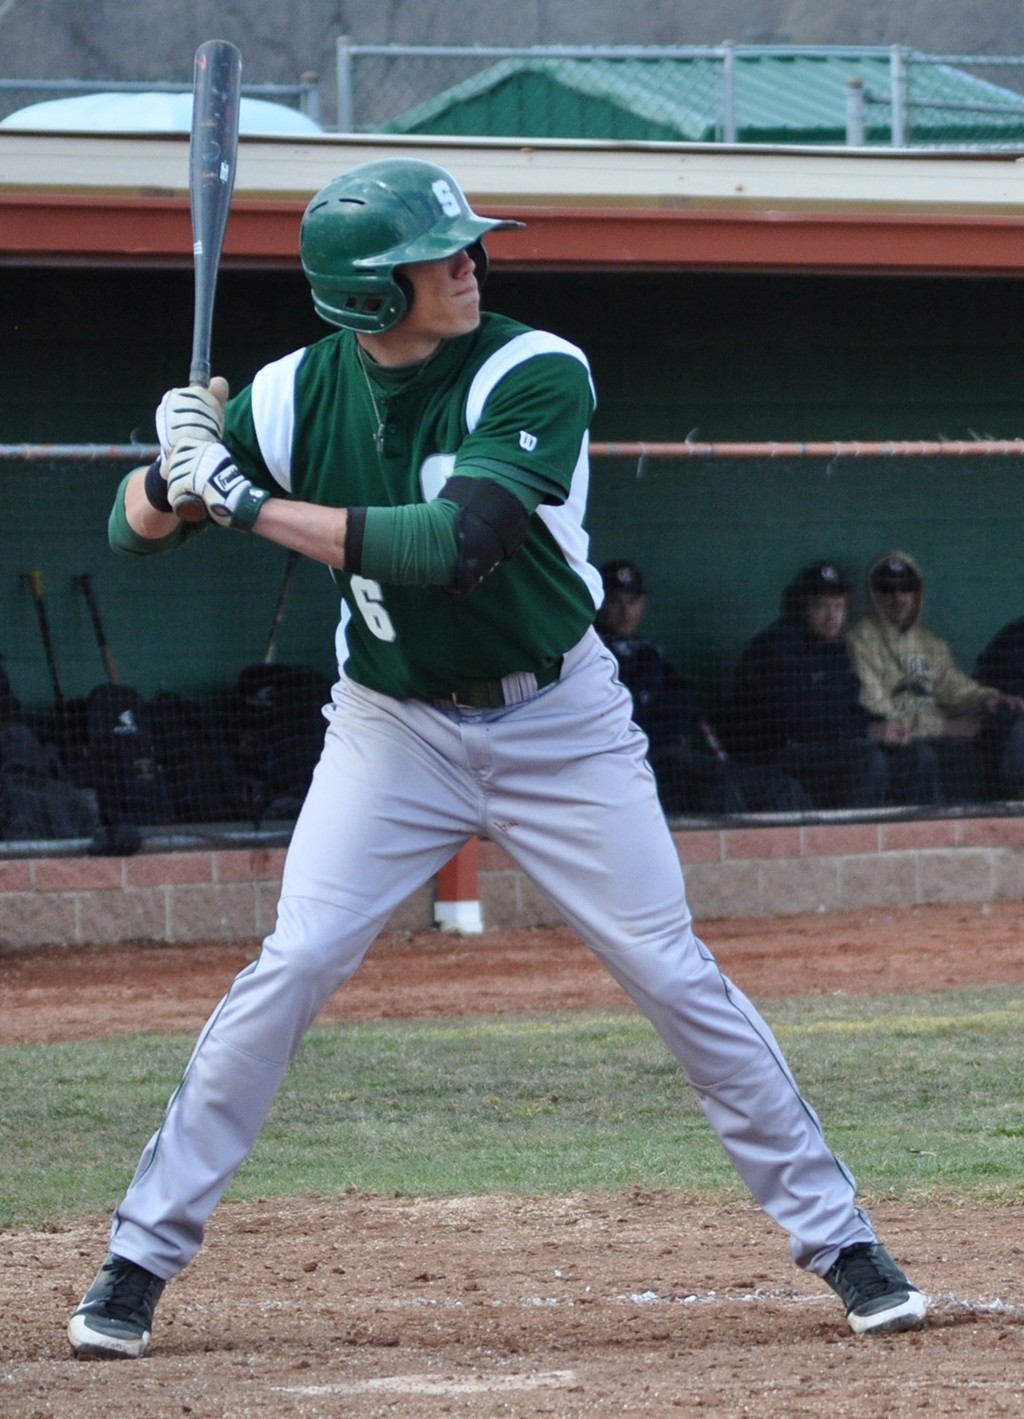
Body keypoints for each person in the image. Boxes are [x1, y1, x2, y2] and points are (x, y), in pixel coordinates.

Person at [67, 158, 926, 1359]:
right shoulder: (289, 395)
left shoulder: (535, 365)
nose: (470, 261)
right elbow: (130, 531)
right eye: (439, 254)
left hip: (561, 723)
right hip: (391, 728)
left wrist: (245, 503)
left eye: (468, 244)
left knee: (671, 973)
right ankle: (137, 1261)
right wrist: (174, 474)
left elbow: (456, 543)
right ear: (369, 297)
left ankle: (842, 1243)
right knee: (294, 961)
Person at [596, 559, 810, 815]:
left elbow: (686, 704)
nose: (625, 611)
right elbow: (622, 717)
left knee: (780, 786)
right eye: (615, 602)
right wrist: (655, 715)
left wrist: (656, 714)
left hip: (674, 754)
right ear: (598, 603)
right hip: (631, 764)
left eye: (632, 602)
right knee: (722, 790)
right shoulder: (589, 655)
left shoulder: (649, 652)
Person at [728, 561, 940, 809]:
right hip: (775, 759)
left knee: (916, 754)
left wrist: (886, 726)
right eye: (821, 606)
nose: (832, 617)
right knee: (867, 759)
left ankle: (916, 843)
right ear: (801, 606)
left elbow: (851, 706)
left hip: (831, 749)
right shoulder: (774, 647)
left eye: (839, 607)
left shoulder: (837, 651)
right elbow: (793, 722)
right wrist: (865, 731)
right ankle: (858, 844)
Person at [847, 551, 1024, 803]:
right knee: (926, 757)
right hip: (893, 744)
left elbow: (953, 687)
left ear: (917, 593)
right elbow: (879, 712)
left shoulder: (929, 643)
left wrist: (989, 698)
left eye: (906, 588)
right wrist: (946, 728)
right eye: (888, 589)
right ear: (874, 594)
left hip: (934, 736)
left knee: (986, 744)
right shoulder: (859, 640)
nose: (898, 598)